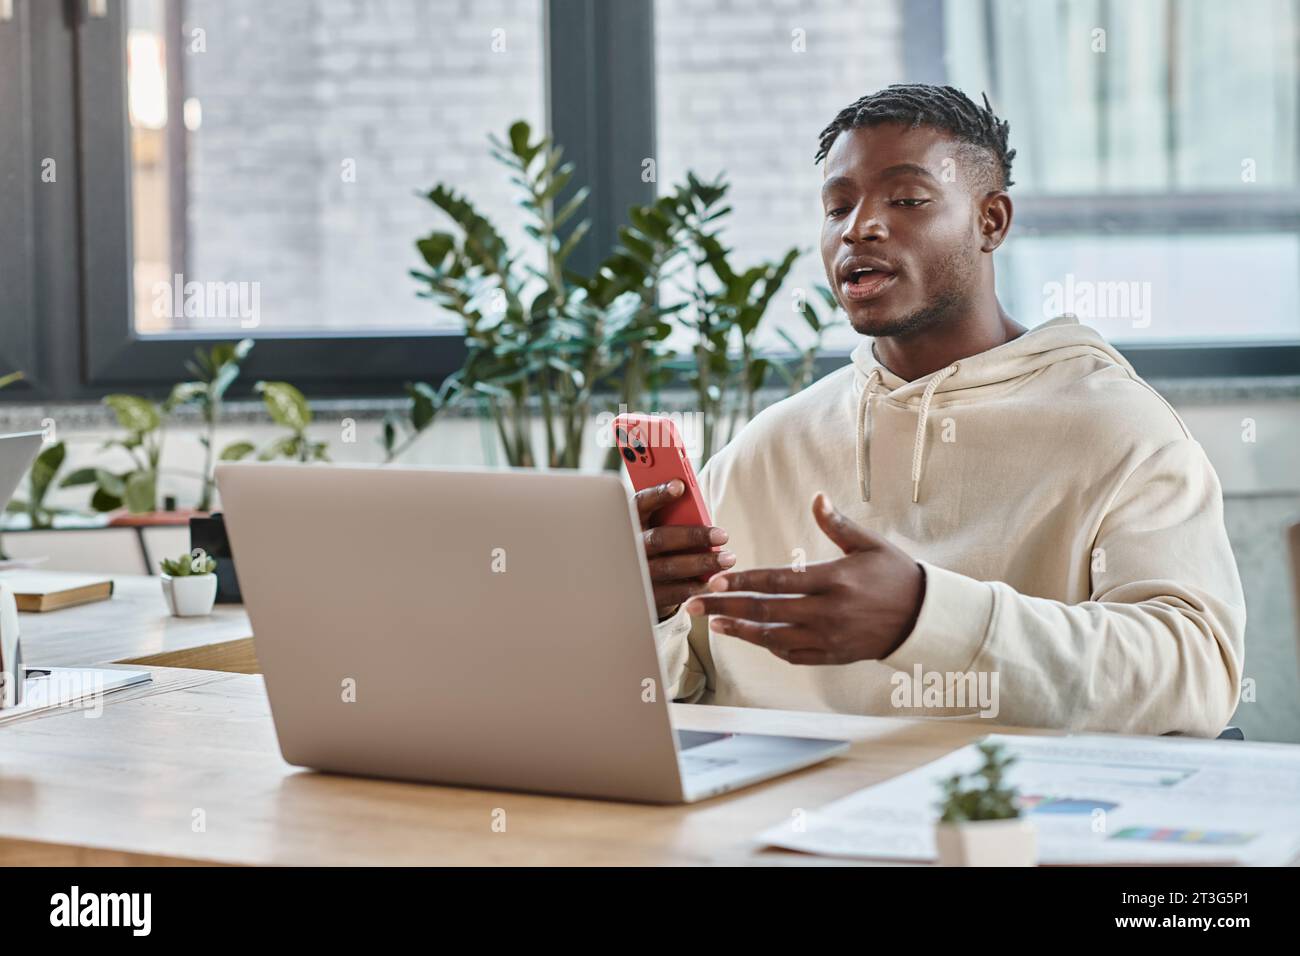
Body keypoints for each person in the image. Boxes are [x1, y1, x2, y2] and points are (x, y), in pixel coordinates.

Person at [636, 84, 1244, 736]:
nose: (859, 226)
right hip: (774, 823)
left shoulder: (1119, 428)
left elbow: (1195, 672)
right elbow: (682, 687)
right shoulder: (773, 444)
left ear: (992, 221)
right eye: (837, 206)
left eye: (907, 199)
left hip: (1003, 826)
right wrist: (650, 611)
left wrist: (927, 617)